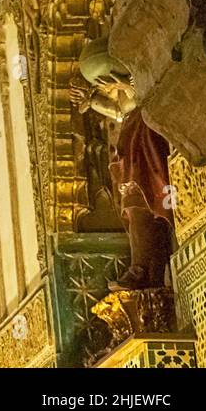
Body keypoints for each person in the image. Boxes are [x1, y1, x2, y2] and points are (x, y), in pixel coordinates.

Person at [72, 40, 173, 291]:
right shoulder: (124, 99)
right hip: (132, 153)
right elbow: (119, 110)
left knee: (144, 202)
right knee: (132, 207)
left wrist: (126, 85)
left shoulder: (144, 73)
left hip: (148, 142)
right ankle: (142, 268)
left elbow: (153, 92)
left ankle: (144, 269)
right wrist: (90, 101)